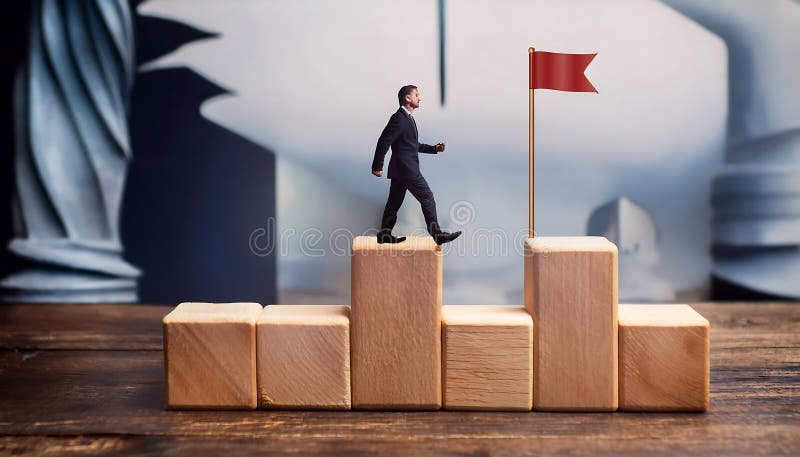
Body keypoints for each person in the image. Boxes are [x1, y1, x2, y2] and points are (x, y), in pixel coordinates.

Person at [371, 85, 462, 245]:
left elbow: (413, 145)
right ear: (407, 98)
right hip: (407, 169)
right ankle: (437, 234)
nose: (419, 98)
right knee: (427, 197)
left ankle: (385, 233)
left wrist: (434, 148)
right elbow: (384, 140)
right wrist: (377, 166)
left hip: (401, 169)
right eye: (416, 95)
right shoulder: (399, 118)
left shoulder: (408, 119)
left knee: (394, 203)